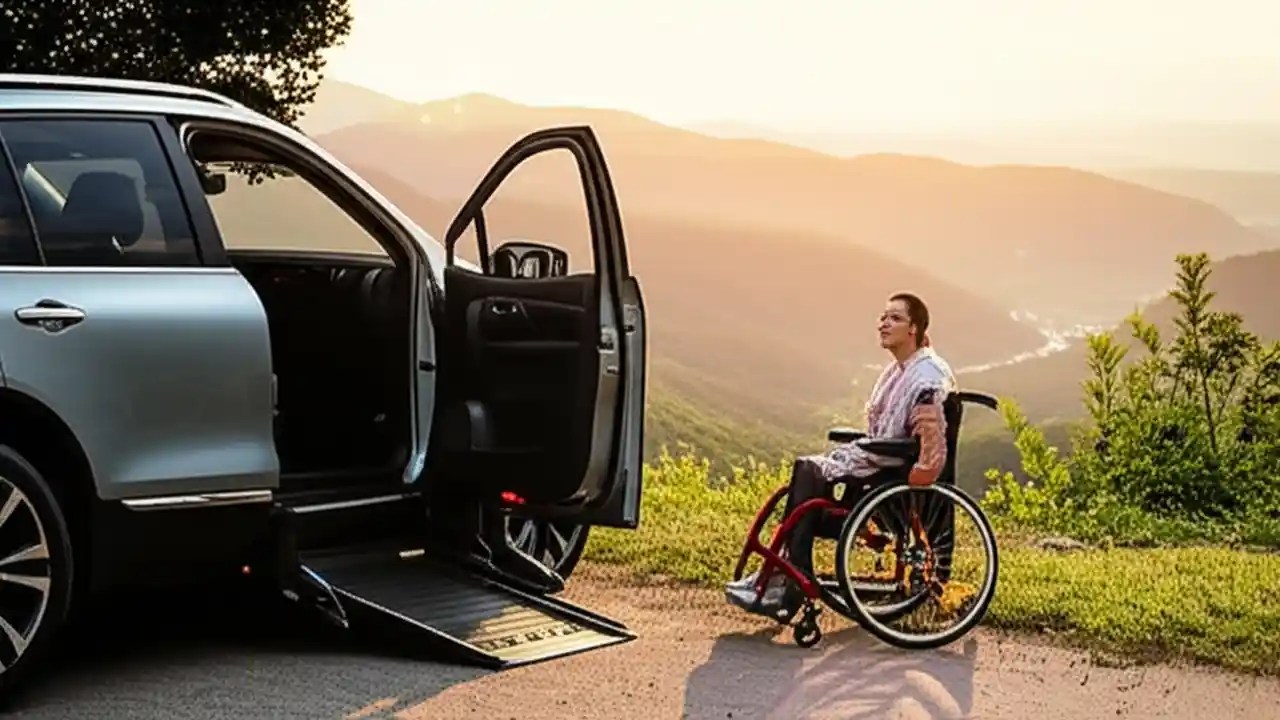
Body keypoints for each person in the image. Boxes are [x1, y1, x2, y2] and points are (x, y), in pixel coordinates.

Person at [725, 292, 957, 615]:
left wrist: (910, 469)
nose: (884, 324)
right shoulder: (902, 370)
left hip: (889, 467)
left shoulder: (926, 376)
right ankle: (787, 574)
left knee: (808, 470)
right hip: (881, 458)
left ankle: (795, 579)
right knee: (805, 483)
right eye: (883, 317)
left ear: (914, 329)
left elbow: (929, 445)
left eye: (895, 318)